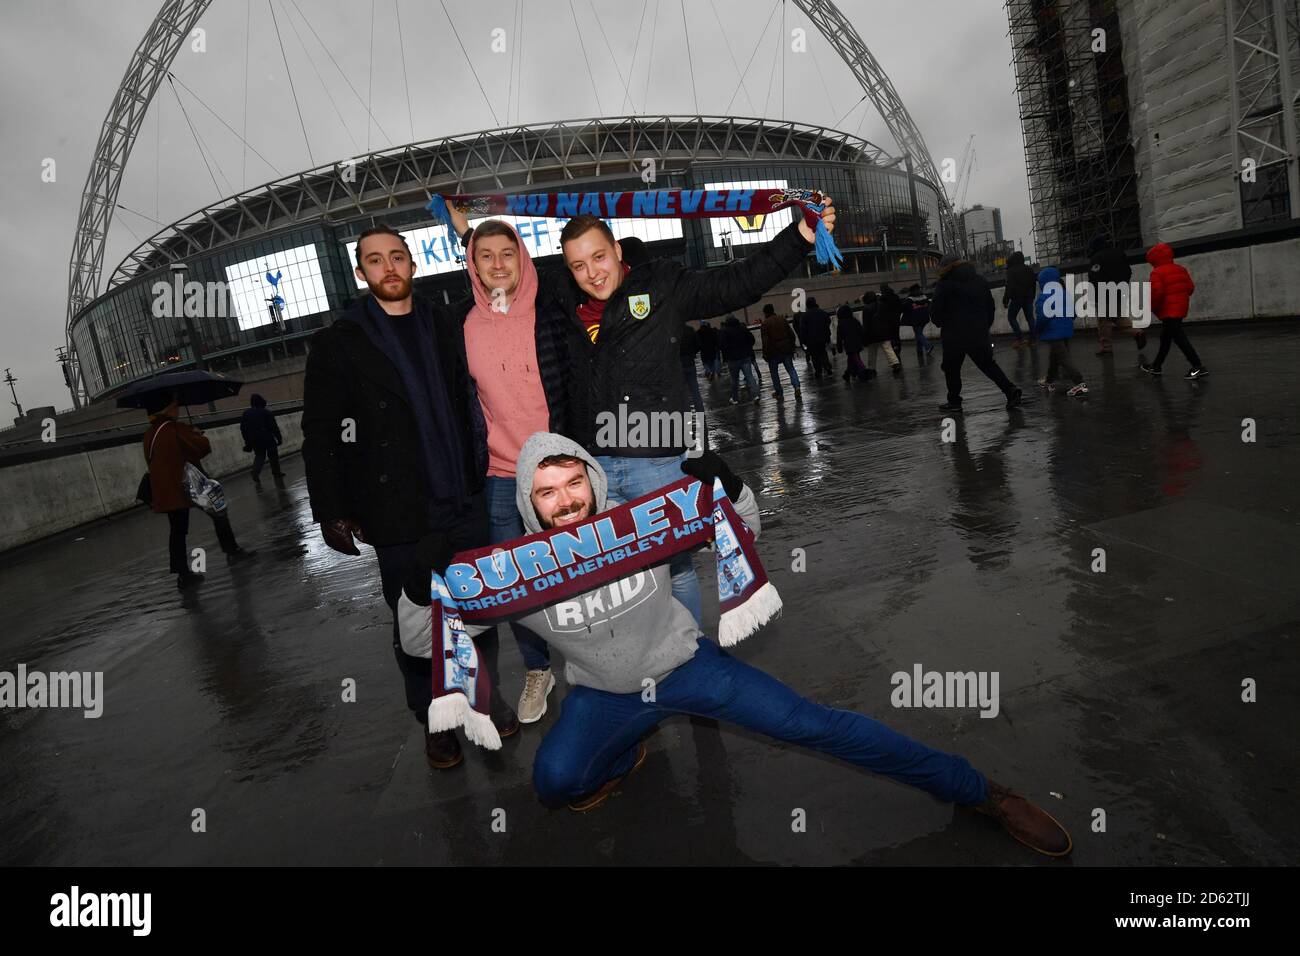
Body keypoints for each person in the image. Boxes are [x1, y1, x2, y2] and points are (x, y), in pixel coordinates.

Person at [397, 433, 1074, 858]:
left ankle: (981, 790)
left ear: (595, 486)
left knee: (816, 725)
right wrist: (416, 586)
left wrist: (734, 485)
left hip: (688, 668)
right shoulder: (514, 568)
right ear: (530, 504)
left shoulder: (640, 528)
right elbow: (421, 638)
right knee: (555, 783)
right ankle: (623, 752)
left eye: (576, 483)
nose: (566, 501)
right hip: (603, 696)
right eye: (547, 493)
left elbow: (740, 526)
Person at [301, 223, 518, 771]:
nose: (389, 267)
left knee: (478, 610)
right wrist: (331, 510)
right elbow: (320, 432)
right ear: (361, 273)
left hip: (462, 495)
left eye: (398, 257)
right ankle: (434, 722)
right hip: (397, 513)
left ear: (413, 265)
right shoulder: (337, 343)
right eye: (375, 260)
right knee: (415, 623)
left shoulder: (445, 324)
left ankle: (484, 700)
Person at [556, 200, 836, 625]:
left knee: (677, 567)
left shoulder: (660, 286)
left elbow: (734, 283)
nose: (592, 273)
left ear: (616, 250)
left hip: (656, 463)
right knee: (621, 579)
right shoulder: (565, 313)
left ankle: (690, 654)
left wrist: (800, 237)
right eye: (578, 266)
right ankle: (647, 661)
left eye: (598, 257)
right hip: (596, 471)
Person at [452, 215, 574, 725]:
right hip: (501, 474)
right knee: (516, 580)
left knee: (582, 565)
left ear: (521, 256)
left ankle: (599, 661)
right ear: (472, 265)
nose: (498, 264)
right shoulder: (463, 326)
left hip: (563, 464)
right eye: (485, 256)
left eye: (507, 253)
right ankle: (537, 667)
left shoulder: (551, 308)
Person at [143, 391, 255, 589]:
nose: (177, 409)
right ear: (168, 409)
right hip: (189, 483)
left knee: (177, 531)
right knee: (219, 512)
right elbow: (202, 448)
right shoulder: (175, 428)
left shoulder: (150, 434)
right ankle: (232, 551)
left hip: (167, 489)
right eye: (175, 406)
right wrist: (195, 433)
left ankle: (183, 575)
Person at [930, 253, 1023, 412]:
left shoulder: (944, 284)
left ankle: (954, 402)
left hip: (954, 335)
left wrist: (942, 322)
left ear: (945, 268)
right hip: (978, 332)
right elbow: (990, 306)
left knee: (951, 368)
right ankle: (1010, 390)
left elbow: (936, 312)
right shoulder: (980, 280)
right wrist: (984, 325)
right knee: (988, 364)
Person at [1140, 243, 1208, 379]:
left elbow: (1157, 293)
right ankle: (1156, 366)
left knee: (1179, 338)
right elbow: (1190, 288)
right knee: (1166, 338)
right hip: (1180, 308)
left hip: (1167, 310)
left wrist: (1151, 307)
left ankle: (1198, 366)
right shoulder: (1180, 269)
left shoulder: (1156, 272)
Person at [1086, 234, 1147, 356]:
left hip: (1104, 293)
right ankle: (1137, 333)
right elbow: (1128, 271)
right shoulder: (1119, 253)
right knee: (1117, 317)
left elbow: (1094, 277)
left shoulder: (1097, 257)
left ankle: (1106, 348)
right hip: (1120, 291)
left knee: (1104, 322)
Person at [1033, 267, 1088, 396]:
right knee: (1055, 356)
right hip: (1066, 331)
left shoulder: (1043, 297)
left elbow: (1042, 317)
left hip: (1053, 332)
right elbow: (1073, 313)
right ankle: (1049, 380)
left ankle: (1079, 382)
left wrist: (1037, 330)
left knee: (1063, 358)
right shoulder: (1064, 294)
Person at [239, 393, 284, 485]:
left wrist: (248, 442)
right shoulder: (266, 412)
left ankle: (255, 472)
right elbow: (274, 427)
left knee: (260, 456)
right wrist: (279, 438)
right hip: (267, 437)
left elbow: (243, 429)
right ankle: (276, 473)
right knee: (273, 456)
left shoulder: (246, 414)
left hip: (254, 439)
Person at [759, 303, 802, 400]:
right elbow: (792, 334)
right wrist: (792, 346)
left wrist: (765, 354)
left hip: (773, 352)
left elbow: (765, 342)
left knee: (774, 373)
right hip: (786, 349)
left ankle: (779, 392)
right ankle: (797, 386)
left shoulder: (765, 324)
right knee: (791, 369)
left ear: (765, 312)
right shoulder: (782, 319)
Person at [720, 315, 761, 404]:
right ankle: (756, 395)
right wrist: (747, 348)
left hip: (733, 359)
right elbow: (752, 340)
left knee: (734, 379)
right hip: (745, 357)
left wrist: (726, 357)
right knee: (750, 377)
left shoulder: (725, 331)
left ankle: (735, 398)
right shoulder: (742, 328)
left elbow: (722, 345)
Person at [861, 291, 902, 376]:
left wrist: (865, 336)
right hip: (884, 331)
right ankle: (895, 363)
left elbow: (866, 323)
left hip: (872, 333)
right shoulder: (881, 305)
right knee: (888, 348)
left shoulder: (866, 308)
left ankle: (872, 368)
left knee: (872, 351)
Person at [1002, 250, 1037, 349]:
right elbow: (1033, 283)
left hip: (1017, 298)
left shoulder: (1011, 271)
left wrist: (1006, 300)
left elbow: (1009, 287)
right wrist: (1033, 295)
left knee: (1011, 317)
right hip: (1028, 297)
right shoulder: (1029, 269)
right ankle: (1033, 340)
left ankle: (1020, 339)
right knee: (1030, 318)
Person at [836, 303, 870, 382]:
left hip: (849, 345)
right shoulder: (854, 321)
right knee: (853, 358)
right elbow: (861, 332)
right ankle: (848, 374)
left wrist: (839, 347)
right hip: (857, 343)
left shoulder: (841, 323)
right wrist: (864, 341)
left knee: (855, 359)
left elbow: (839, 337)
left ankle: (862, 371)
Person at [801, 296, 833, 379]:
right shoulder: (822, 312)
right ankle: (827, 367)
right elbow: (828, 321)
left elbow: (803, 330)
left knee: (814, 356)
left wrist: (804, 341)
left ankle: (818, 371)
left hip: (811, 340)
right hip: (822, 337)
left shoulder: (805, 316)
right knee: (823, 352)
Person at [903, 284, 935, 363]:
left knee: (918, 333)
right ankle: (919, 350)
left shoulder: (910, 299)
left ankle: (928, 346)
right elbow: (929, 305)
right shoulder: (924, 297)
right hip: (924, 318)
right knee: (918, 333)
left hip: (915, 319)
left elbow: (905, 308)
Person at [679, 321, 704, 410]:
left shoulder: (672, 331)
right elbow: (698, 345)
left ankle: (685, 415)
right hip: (690, 362)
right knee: (695, 391)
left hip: (678, 365)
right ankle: (701, 412)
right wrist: (692, 354)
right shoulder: (690, 330)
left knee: (682, 393)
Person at [878, 283, 905, 357]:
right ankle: (898, 349)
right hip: (896, 319)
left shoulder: (882, 299)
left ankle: (894, 348)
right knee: (896, 335)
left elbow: (880, 311)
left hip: (887, 320)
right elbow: (900, 307)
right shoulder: (895, 296)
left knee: (890, 336)